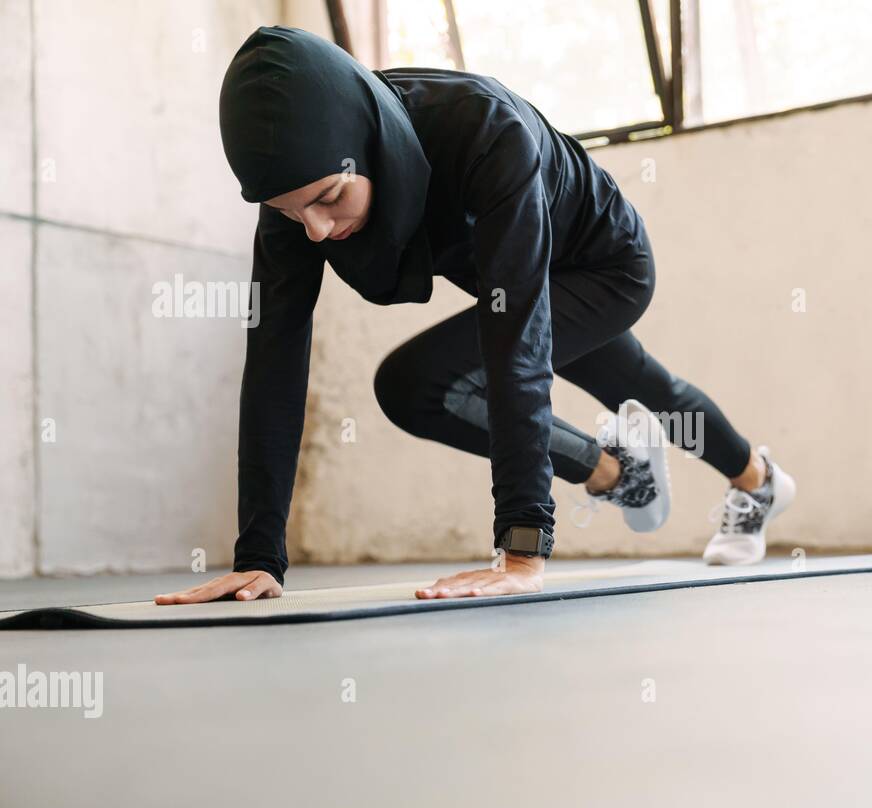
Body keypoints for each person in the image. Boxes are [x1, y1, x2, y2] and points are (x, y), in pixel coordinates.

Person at [155, 26, 795, 606]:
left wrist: (521, 548)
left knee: (437, 381)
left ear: (366, 143)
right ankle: (623, 469)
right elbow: (273, 354)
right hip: (507, 273)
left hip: (603, 266)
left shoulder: (485, 130)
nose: (315, 230)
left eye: (329, 199)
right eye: (294, 213)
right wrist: (259, 556)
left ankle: (756, 485)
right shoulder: (297, 191)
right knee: (621, 382)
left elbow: (514, 344)